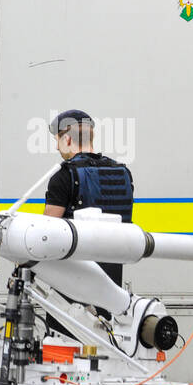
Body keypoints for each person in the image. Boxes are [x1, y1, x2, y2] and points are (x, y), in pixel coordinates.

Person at [43, 109, 134, 286]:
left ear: (67, 139)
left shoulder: (63, 175)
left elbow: (45, 234)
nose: (56, 148)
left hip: (71, 284)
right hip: (111, 282)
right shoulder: (123, 173)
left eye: (57, 141)